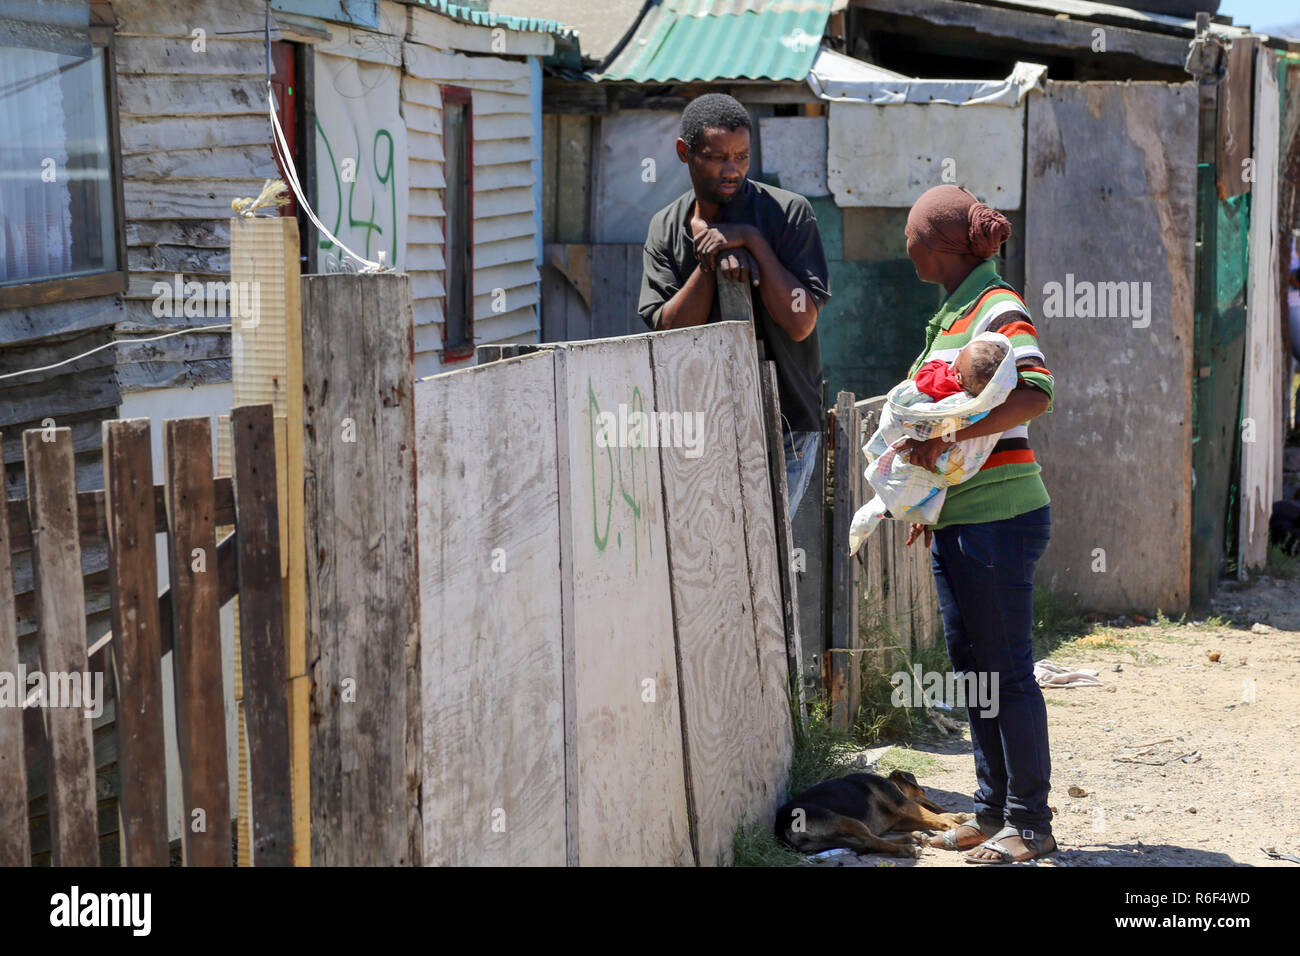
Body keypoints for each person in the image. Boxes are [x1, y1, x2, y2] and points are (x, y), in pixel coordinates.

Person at [900, 184, 1057, 864]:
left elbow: (1035, 391)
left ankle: (1032, 823)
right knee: (975, 674)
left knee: (1008, 670)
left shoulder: (998, 306)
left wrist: (948, 437)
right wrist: (928, 496)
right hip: (963, 516)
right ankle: (992, 811)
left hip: (1002, 517)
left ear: (934, 245)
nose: (903, 245)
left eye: (909, 233)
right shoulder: (953, 312)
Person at [638, 93, 831, 519]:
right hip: (701, 426)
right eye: (717, 157)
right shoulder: (666, 229)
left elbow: (800, 321)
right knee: (710, 548)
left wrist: (753, 241)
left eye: (742, 156)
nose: (732, 169)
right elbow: (669, 332)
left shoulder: (788, 214)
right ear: (684, 153)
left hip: (786, 424)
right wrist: (709, 265)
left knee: (769, 548)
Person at [848, 334, 1015, 552]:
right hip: (958, 468)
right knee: (926, 482)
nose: (952, 361)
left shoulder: (948, 386)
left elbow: (923, 379)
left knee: (907, 466)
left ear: (959, 377)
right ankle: (893, 504)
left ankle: (885, 504)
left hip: (927, 445)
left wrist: (937, 367)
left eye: (956, 360)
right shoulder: (984, 403)